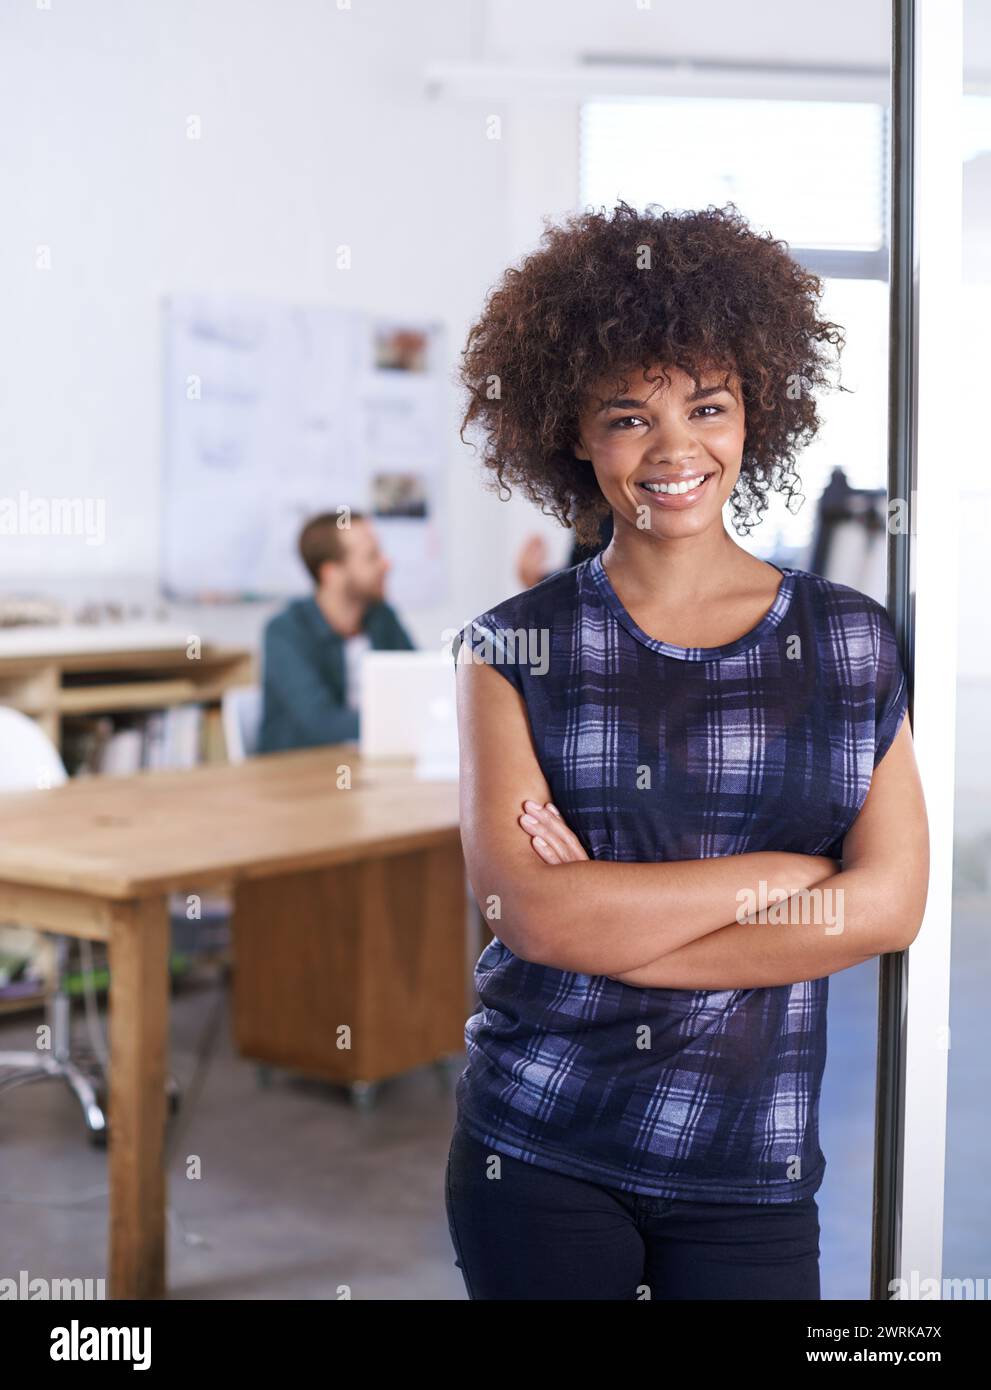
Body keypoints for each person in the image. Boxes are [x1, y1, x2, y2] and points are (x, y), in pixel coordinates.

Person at [446, 202, 929, 1301]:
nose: (674, 450)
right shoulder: (508, 645)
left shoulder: (848, 639)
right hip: (537, 1145)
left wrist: (614, 921)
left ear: (753, 410)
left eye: (706, 406)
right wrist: (780, 882)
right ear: (572, 430)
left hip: (748, 1165)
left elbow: (891, 906)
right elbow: (533, 917)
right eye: (627, 416)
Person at [257, 510, 413, 754]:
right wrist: (402, 723)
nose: (386, 563)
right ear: (331, 573)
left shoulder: (383, 619)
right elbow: (321, 724)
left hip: (374, 765)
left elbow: (420, 690)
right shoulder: (285, 631)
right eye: (371, 557)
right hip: (302, 776)